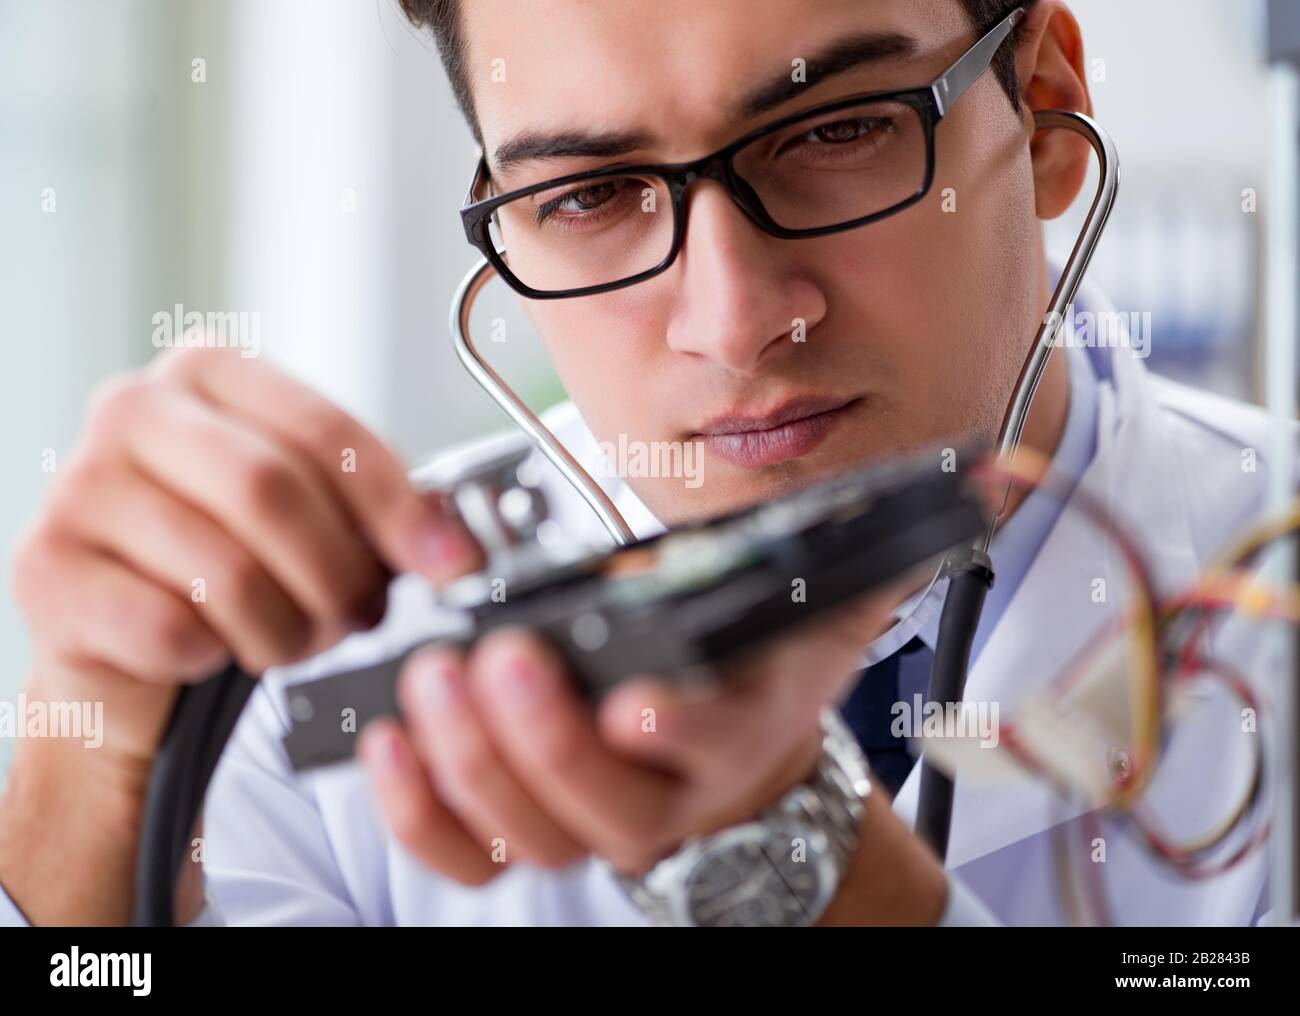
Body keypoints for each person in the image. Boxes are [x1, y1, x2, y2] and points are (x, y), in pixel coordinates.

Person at [0, 0, 1288, 926]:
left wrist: (795, 855)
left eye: (835, 131)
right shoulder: (309, 675)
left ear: (1047, 110)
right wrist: (93, 781)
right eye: (588, 195)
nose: (734, 321)